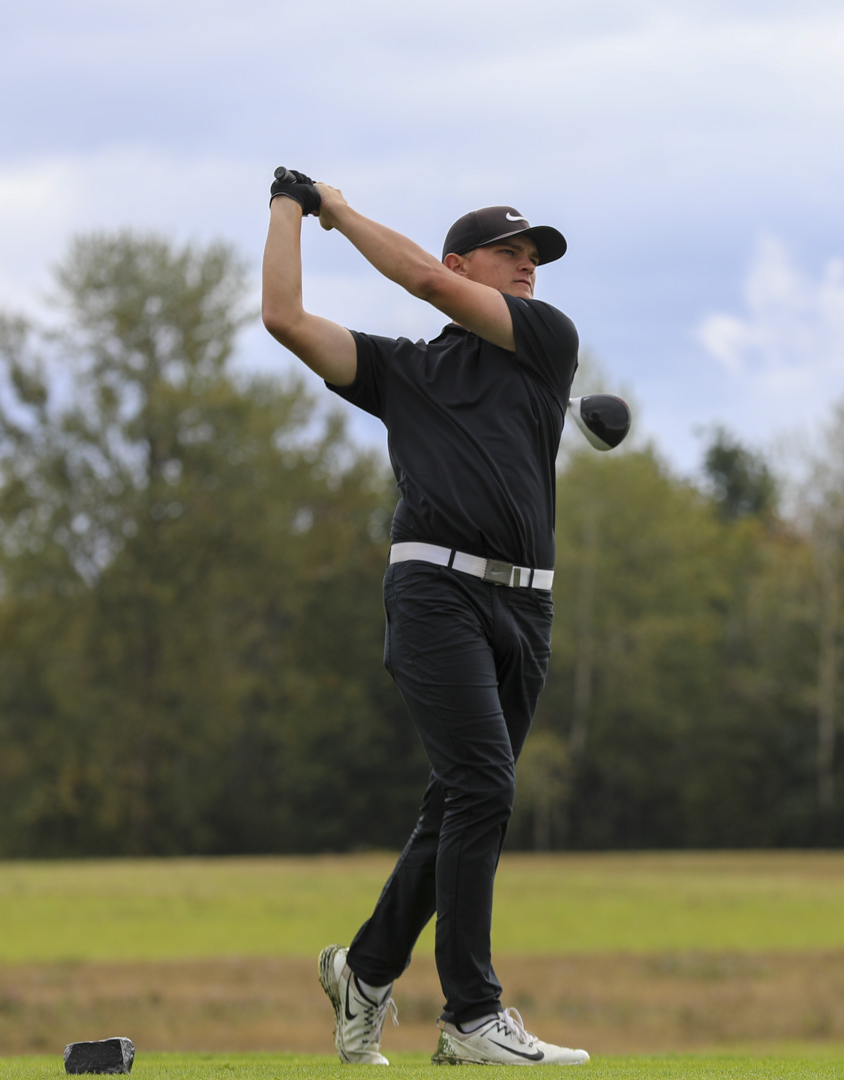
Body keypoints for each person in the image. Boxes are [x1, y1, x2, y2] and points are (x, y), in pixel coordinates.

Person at [260, 168, 588, 1067]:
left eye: (536, 257)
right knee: (483, 787)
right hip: (433, 592)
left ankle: (363, 973)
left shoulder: (545, 343)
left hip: (527, 605)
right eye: (510, 253)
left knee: (458, 804)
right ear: (462, 259)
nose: (528, 269)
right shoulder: (403, 369)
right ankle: (471, 1015)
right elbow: (286, 321)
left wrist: (339, 211)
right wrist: (295, 209)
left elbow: (428, 284)